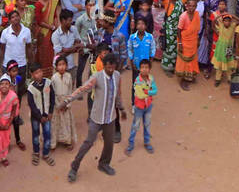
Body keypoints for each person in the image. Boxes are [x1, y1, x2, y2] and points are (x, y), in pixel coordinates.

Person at [62, 50, 126, 183]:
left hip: (110, 118)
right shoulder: (97, 77)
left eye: (113, 67)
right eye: (108, 67)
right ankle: (74, 167)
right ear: (104, 65)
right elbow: (83, 89)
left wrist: (122, 109)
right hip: (96, 118)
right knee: (88, 142)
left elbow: (118, 95)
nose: (111, 69)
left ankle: (103, 164)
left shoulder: (118, 76)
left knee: (109, 144)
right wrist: (67, 100)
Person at [24, 62, 56, 166]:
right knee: (36, 135)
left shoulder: (48, 83)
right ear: (32, 75)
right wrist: (39, 116)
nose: (39, 74)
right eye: (36, 73)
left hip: (47, 115)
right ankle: (36, 152)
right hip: (35, 117)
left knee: (47, 134)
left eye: (40, 71)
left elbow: (52, 98)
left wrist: (50, 112)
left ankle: (46, 154)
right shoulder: (30, 88)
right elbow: (31, 105)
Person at [125, 57, 157, 154]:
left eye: (146, 67)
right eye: (142, 67)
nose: (144, 69)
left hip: (148, 106)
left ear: (149, 69)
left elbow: (155, 91)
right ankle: (131, 144)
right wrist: (149, 92)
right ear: (139, 69)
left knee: (147, 125)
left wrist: (147, 91)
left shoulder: (151, 78)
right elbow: (139, 94)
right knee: (136, 125)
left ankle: (147, 143)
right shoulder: (137, 80)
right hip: (139, 107)